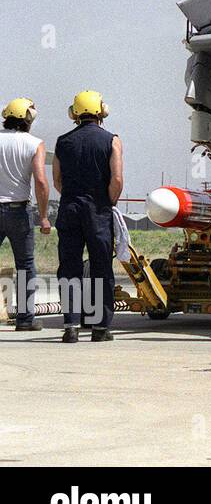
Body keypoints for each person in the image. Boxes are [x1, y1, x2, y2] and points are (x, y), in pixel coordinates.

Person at [52, 91, 123, 343]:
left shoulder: (62, 141)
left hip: (70, 207)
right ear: (101, 111)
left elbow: (57, 181)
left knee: (69, 266)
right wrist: (107, 202)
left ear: (74, 113)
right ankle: (100, 328)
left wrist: (73, 196)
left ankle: (71, 325)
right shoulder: (112, 140)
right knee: (101, 266)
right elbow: (116, 179)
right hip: (98, 210)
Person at [0, 98, 51, 331]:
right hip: (19, 210)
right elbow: (40, 181)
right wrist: (43, 216)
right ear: (28, 120)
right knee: (25, 265)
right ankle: (25, 319)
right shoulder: (35, 143)